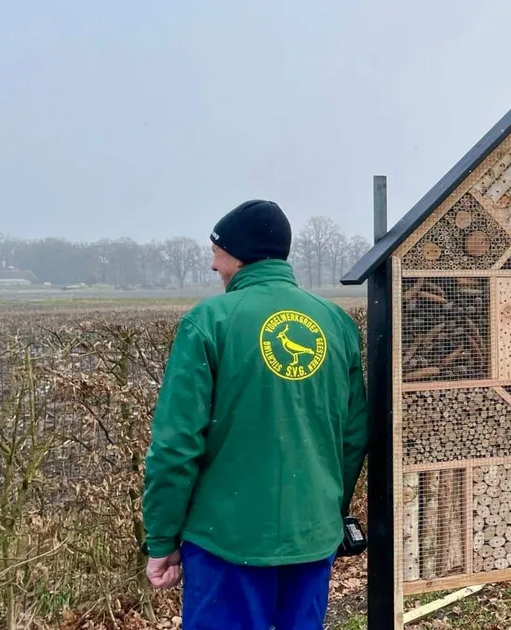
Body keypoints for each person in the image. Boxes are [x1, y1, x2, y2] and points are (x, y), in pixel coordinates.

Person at [141, 200, 370, 629]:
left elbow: (175, 447)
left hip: (226, 541)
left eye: (216, 253)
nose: (213, 265)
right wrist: (324, 510)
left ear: (238, 254)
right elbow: (354, 435)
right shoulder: (335, 322)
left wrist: (161, 538)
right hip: (313, 537)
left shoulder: (208, 321)